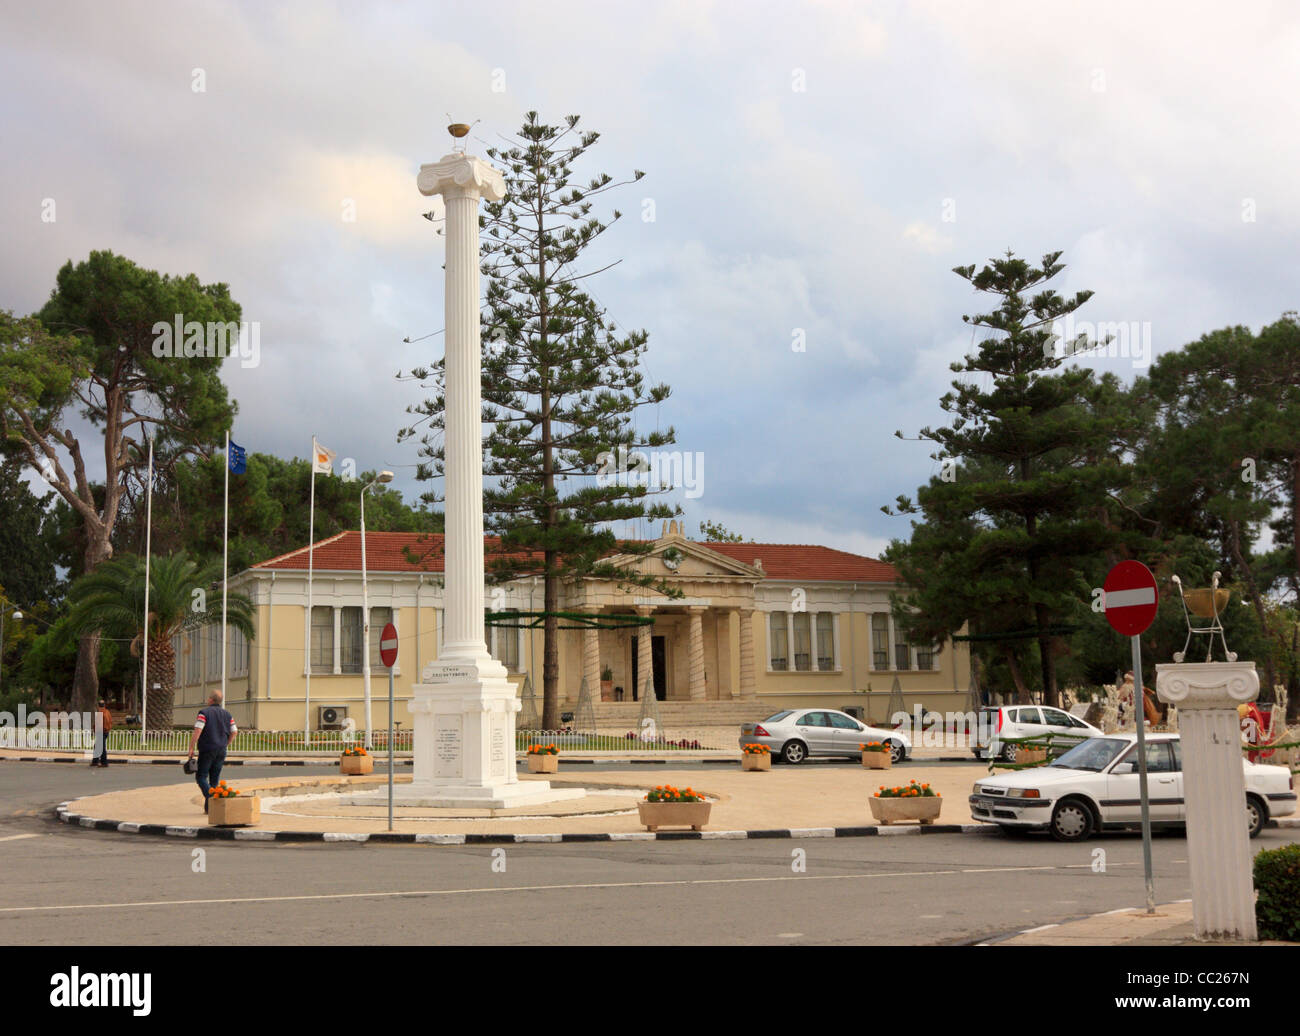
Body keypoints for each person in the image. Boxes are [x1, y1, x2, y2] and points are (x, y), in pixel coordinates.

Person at [186, 691, 237, 814]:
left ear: (211, 700)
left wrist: (191, 748)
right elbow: (234, 731)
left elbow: (198, 730)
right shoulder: (227, 714)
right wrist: (226, 743)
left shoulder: (204, 713)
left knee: (201, 777)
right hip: (221, 750)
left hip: (207, 748)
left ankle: (212, 798)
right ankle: (210, 810)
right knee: (214, 780)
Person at [90, 699, 112, 768]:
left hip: (101, 732)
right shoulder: (107, 712)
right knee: (97, 747)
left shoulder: (100, 712)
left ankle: (104, 763)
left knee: (101, 748)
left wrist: (94, 730)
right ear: (104, 705)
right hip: (105, 731)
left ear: (98, 705)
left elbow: (98, 724)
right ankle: (95, 761)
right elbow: (110, 722)